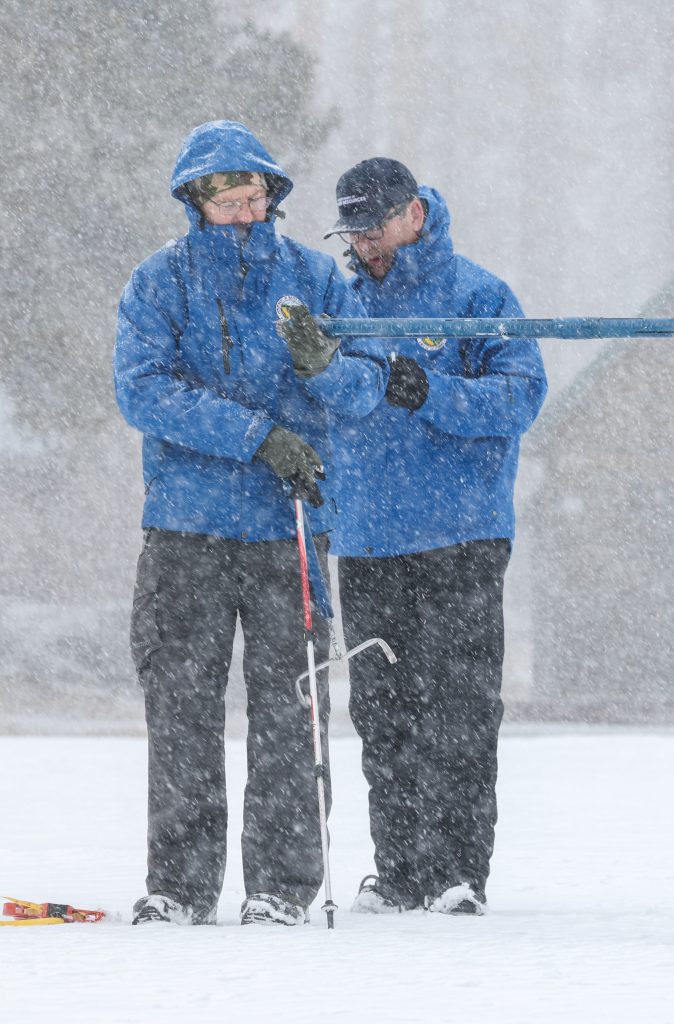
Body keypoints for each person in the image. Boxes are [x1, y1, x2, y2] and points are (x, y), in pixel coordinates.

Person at [281, 158, 547, 916]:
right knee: (385, 712)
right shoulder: (343, 304)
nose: (364, 243)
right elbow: (336, 396)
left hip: (461, 534)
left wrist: (429, 389)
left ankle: (461, 870)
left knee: (459, 707)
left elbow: (518, 398)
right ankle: (401, 870)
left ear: (415, 214)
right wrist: (324, 368)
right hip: (365, 537)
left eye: (374, 225)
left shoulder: (478, 295)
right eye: (352, 230)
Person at [114, 120, 361, 927]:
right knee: (182, 708)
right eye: (228, 198)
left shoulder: (317, 278)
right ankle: (179, 886)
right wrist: (258, 435)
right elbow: (143, 390)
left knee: (292, 707)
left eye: (256, 195)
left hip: (286, 527)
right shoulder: (161, 281)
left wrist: (327, 372)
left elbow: (361, 388)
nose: (245, 210)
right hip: (185, 527)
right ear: (197, 201)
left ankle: (283, 885)